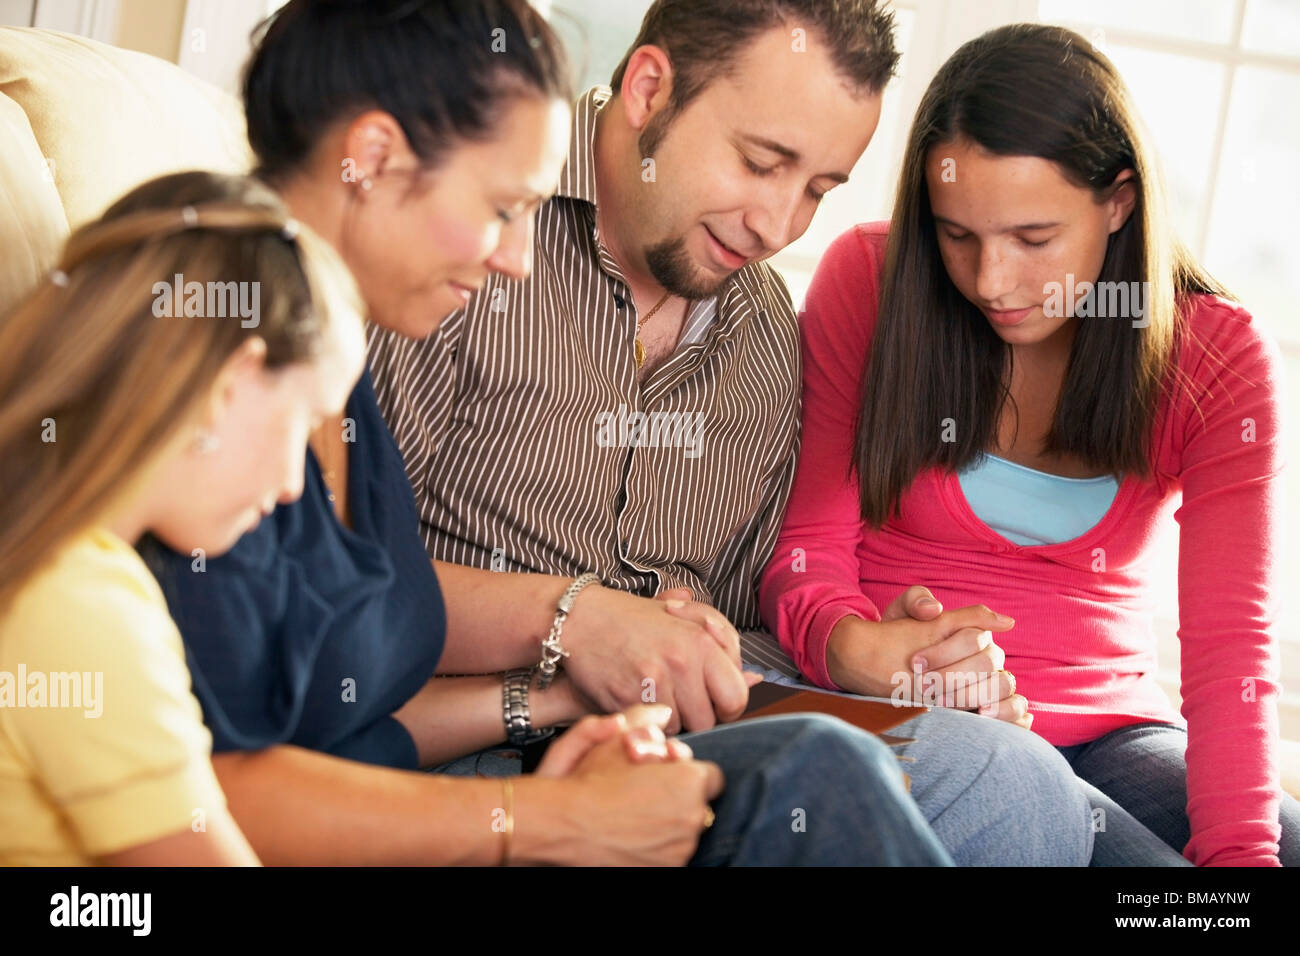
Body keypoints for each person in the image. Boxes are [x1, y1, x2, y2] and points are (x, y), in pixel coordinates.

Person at [140, 0, 960, 867]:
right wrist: (550, 815)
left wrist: (559, 696)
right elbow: (214, 789)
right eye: (503, 207)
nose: (522, 259)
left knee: (890, 770)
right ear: (373, 159)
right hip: (415, 820)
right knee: (821, 775)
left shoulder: (342, 400)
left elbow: (346, 716)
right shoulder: (229, 385)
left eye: (820, 190)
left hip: (501, 762)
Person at [362, 0, 1094, 864]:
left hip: (697, 726)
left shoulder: (765, 327)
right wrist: (575, 622)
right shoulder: (466, 231)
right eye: (761, 162)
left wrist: (870, 654)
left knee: (1026, 782)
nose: (781, 226)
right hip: (478, 744)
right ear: (648, 90)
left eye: (819, 188)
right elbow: (330, 588)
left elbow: (754, 609)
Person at [759, 22, 1297, 867]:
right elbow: (807, 552)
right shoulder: (869, 283)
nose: (991, 282)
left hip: (1116, 724)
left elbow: (1233, 652)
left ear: (1118, 201)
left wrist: (1242, 857)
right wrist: (850, 645)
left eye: (1033, 239)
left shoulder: (1214, 359)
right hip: (940, 725)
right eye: (957, 235)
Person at [0, 170, 366, 865]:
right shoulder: (82, 603)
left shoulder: (44, 551)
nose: (294, 489)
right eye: (305, 423)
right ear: (230, 384)